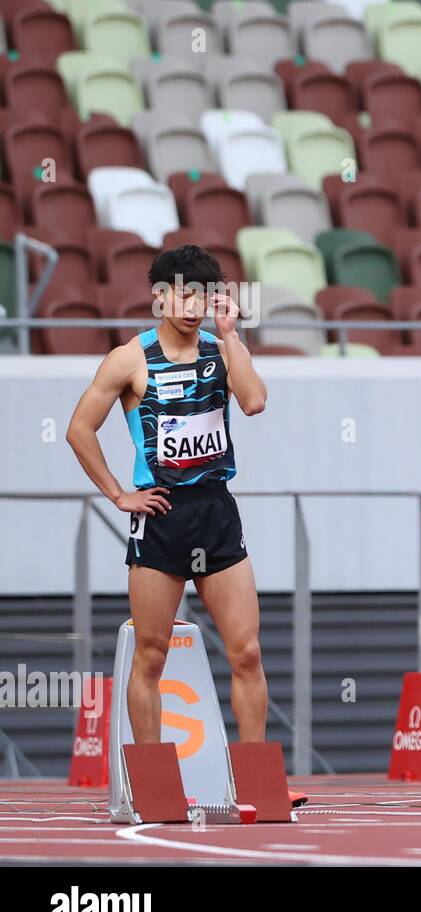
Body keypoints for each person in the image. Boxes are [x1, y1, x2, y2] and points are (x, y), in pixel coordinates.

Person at [66, 245, 302, 804]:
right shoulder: (131, 359)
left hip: (217, 513)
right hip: (162, 515)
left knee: (246, 652)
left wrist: (233, 336)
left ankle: (260, 788)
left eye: (202, 295)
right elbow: (79, 428)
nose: (192, 306)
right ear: (160, 296)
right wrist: (119, 494)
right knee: (151, 655)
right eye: (181, 294)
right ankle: (154, 789)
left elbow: (255, 402)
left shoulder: (221, 353)